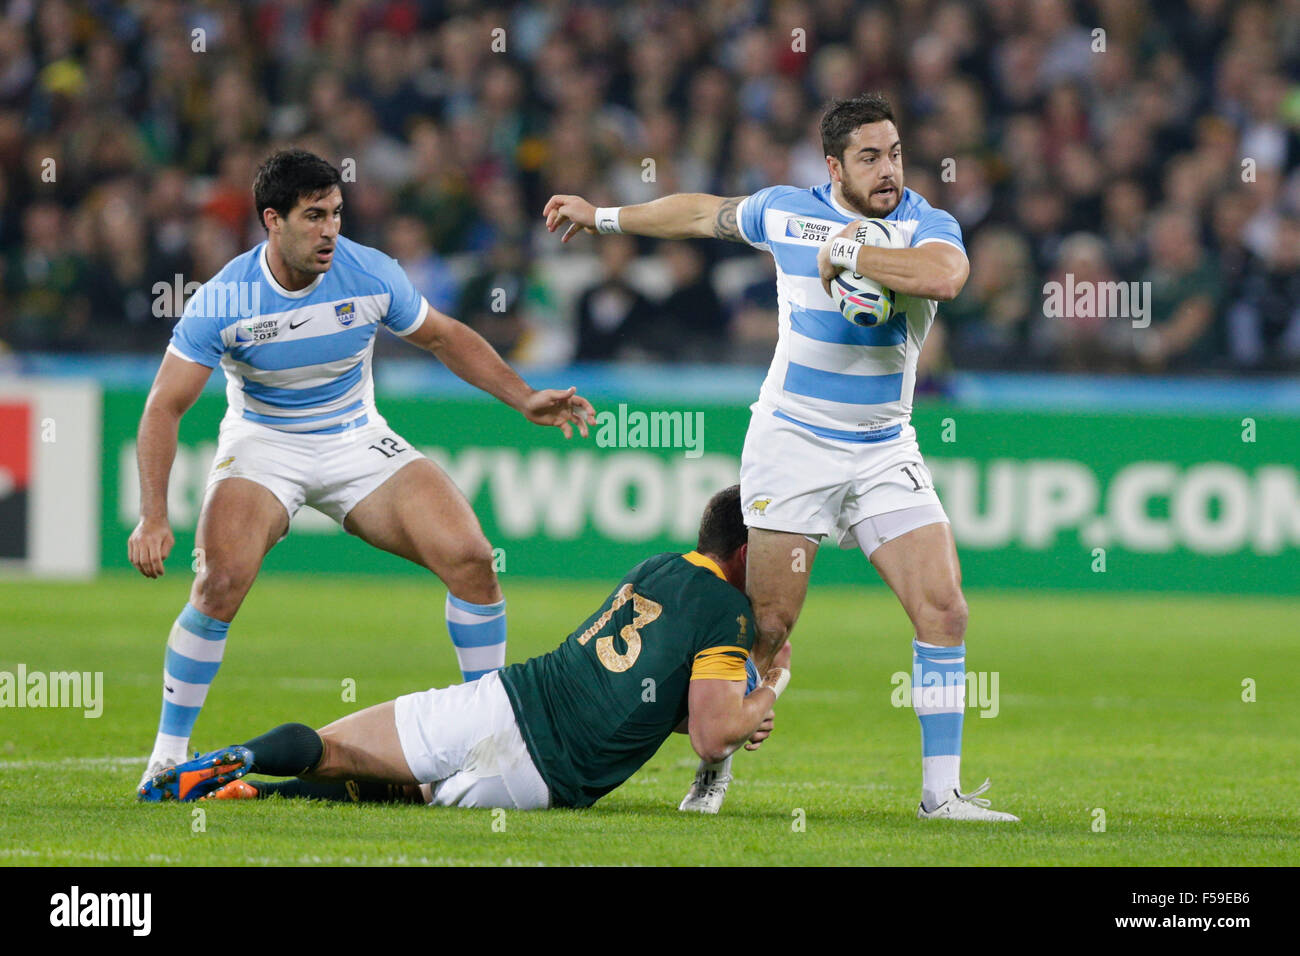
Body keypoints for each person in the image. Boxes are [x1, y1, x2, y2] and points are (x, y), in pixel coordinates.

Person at [544, 93, 1017, 821]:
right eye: (869, 157)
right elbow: (703, 213)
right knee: (769, 626)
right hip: (793, 443)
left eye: (894, 153)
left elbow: (945, 278)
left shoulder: (927, 223)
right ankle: (714, 766)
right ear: (834, 166)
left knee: (944, 609)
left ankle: (940, 795)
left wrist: (853, 251)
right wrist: (604, 216)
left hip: (885, 449)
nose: (888, 169)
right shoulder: (785, 211)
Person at [128, 148, 596, 793]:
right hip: (265, 443)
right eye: (314, 216)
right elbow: (163, 409)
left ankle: (486, 740)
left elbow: (443, 336)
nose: (330, 231)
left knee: (473, 561)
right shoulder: (223, 299)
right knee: (221, 580)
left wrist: (522, 396)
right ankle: (166, 753)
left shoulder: (371, 274)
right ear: (273, 219)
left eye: (337, 214)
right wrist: (153, 514)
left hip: (355, 438)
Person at [138, 485, 791, 810]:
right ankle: (260, 797)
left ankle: (238, 767)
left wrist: (720, 712)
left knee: (337, 749)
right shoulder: (731, 613)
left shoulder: (657, 568)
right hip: (542, 773)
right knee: (411, 796)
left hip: (508, 698)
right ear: (743, 555)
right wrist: (765, 691)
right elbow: (709, 738)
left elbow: (654, 696)